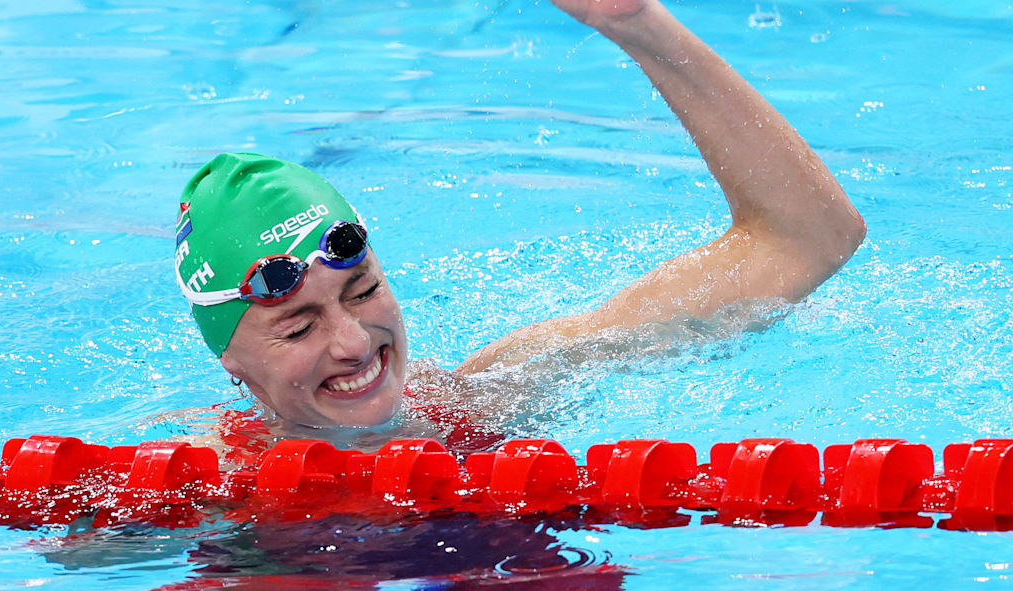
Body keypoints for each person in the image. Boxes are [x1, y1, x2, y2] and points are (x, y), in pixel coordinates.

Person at [172, 0, 866, 452]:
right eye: (298, 327)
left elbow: (804, 239)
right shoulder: (197, 477)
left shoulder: (483, 400)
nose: (355, 343)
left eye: (363, 292)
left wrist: (637, 23)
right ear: (233, 364)